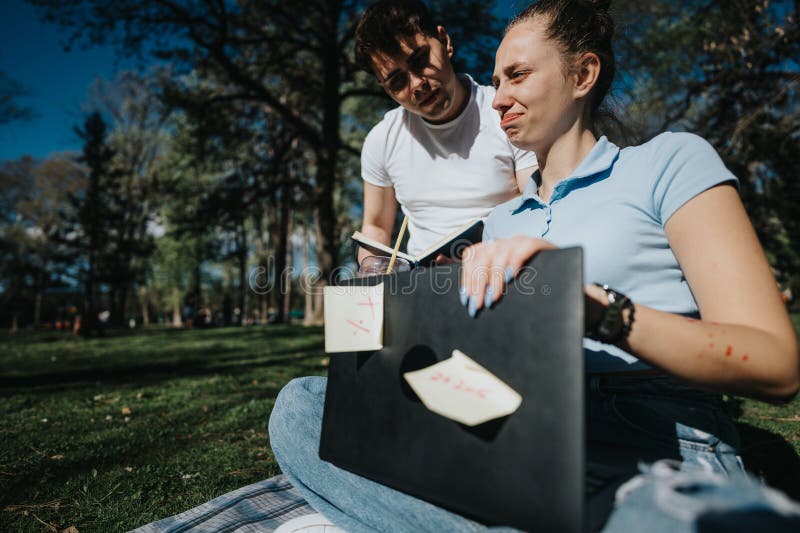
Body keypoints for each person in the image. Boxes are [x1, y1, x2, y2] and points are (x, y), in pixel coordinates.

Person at [269, 1, 800, 531]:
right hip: (521, 430)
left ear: (583, 74)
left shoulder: (669, 162)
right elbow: (479, 364)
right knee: (300, 409)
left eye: (517, 76)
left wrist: (598, 311)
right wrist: (397, 359)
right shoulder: (499, 224)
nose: (497, 99)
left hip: (651, 433)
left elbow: (776, 366)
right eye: (497, 82)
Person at [354, 0, 538, 264]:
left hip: (506, 275)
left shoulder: (504, 113)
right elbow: (376, 230)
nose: (417, 84)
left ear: (444, 41)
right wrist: (371, 273)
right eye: (397, 81)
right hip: (425, 289)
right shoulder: (381, 141)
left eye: (420, 60)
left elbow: (537, 207)